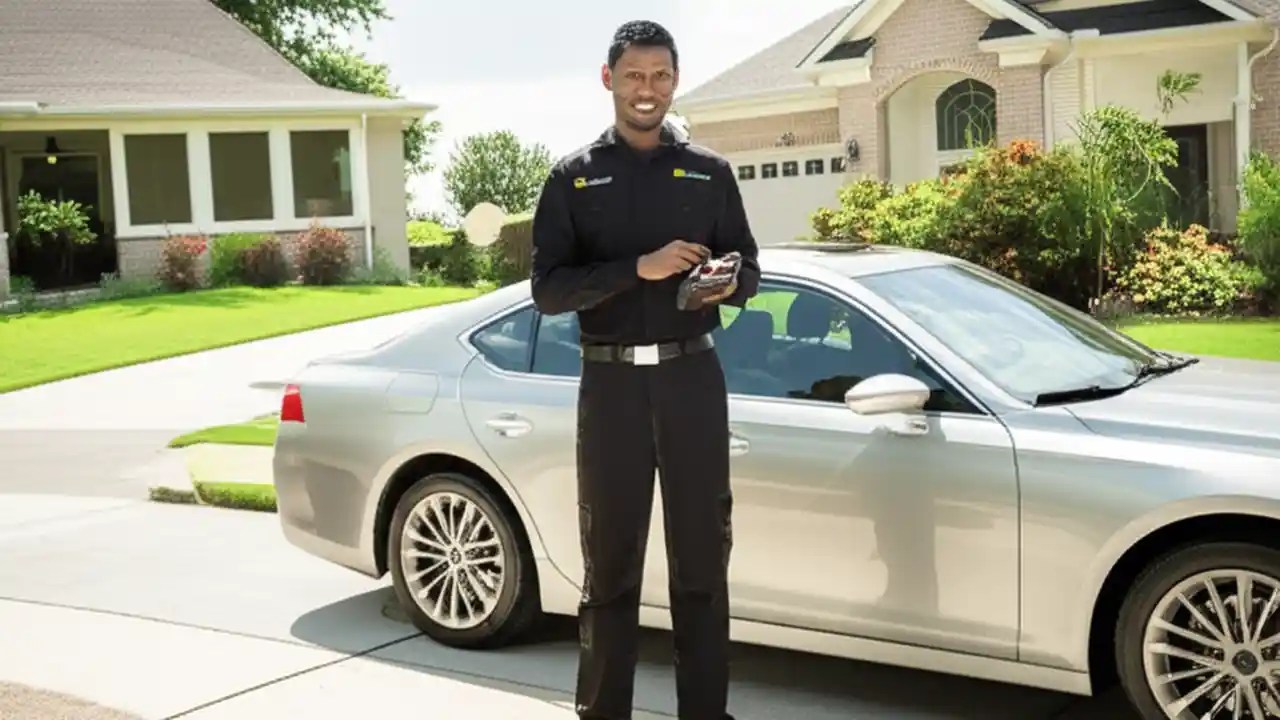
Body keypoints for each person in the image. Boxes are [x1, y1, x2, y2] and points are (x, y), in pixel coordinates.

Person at [528, 19, 759, 720]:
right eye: (634, 76)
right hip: (613, 387)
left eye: (660, 76)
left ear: (674, 81)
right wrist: (639, 269)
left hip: (693, 382)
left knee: (701, 574)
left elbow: (749, 272)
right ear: (609, 80)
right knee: (610, 576)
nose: (647, 90)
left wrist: (721, 279)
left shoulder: (710, 173)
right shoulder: (573, 178)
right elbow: (548, 291)